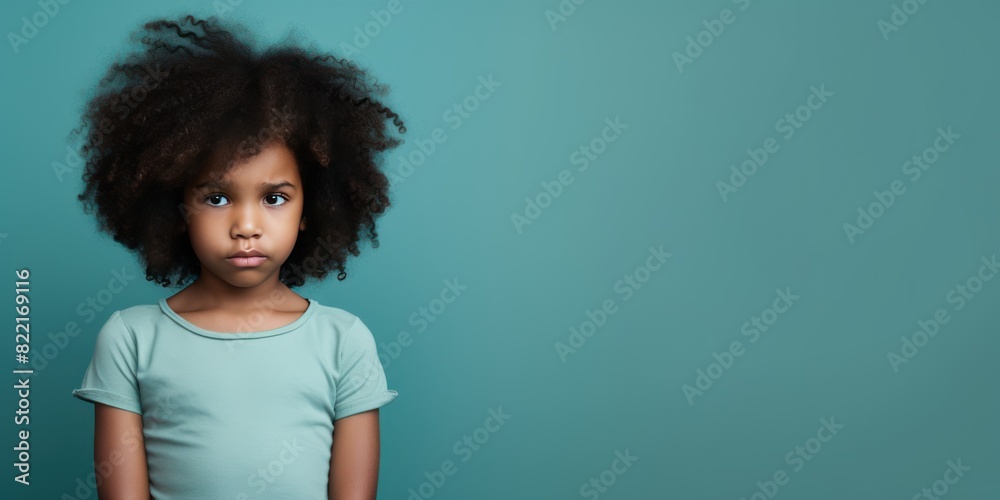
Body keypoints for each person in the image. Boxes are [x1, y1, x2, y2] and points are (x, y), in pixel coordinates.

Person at [69, 14, 406, 499]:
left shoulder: (345, 342)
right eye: (217, 197)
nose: (246, 226)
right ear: (177, 208)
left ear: (312, 209)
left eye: (274, 198)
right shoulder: (131, 340)